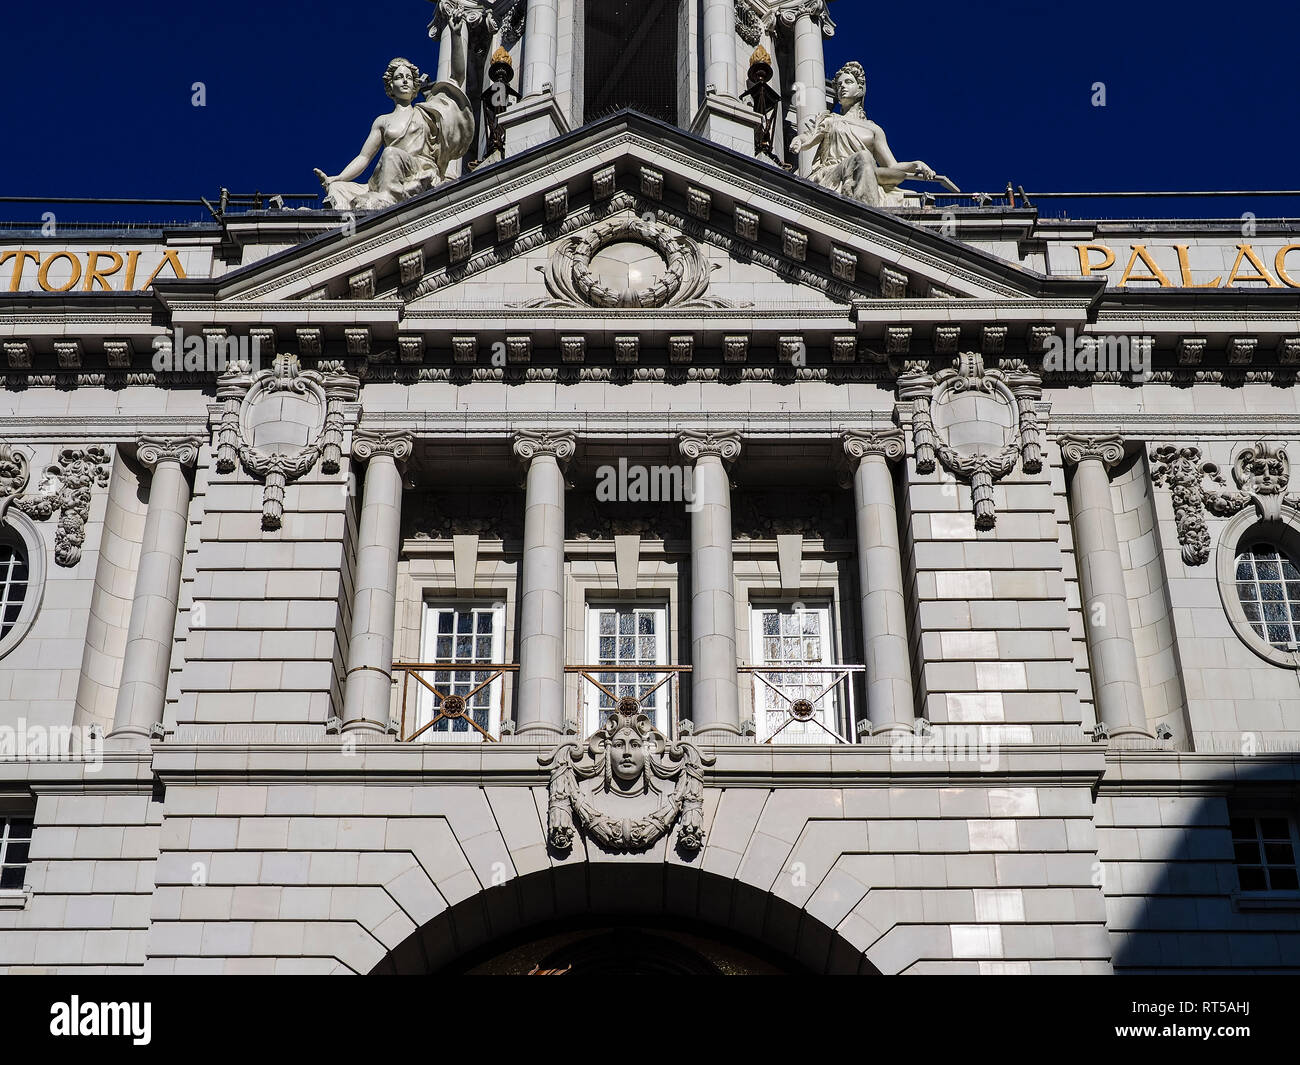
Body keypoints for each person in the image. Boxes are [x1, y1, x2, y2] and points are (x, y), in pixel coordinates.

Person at [313, 56, 475, 211]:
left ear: (415, 86)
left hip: (420, 169)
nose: (405, 80)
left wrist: (456, 35)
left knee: (391, 153)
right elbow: (364, 157)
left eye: (409, 77)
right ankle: (384, 196)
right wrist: (338, 178)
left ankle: (385, 199)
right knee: (339, 188)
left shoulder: (426, 113)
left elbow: (457, 77)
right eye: (399, 77)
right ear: (391, 85)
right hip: (389, 174)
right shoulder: (382, 121)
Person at [791, 61, 937, 207]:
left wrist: (915, 164)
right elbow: (809, 137)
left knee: (910, 198)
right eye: (839, 85)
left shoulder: (874, 130)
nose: (842, 87)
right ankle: (864, 214)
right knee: (863, 157)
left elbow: (892, 166)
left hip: (864, 176)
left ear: (860, 88)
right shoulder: (830, 119)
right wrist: (798, 140)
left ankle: (864, 215)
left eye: (848, 82)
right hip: (832, 176)